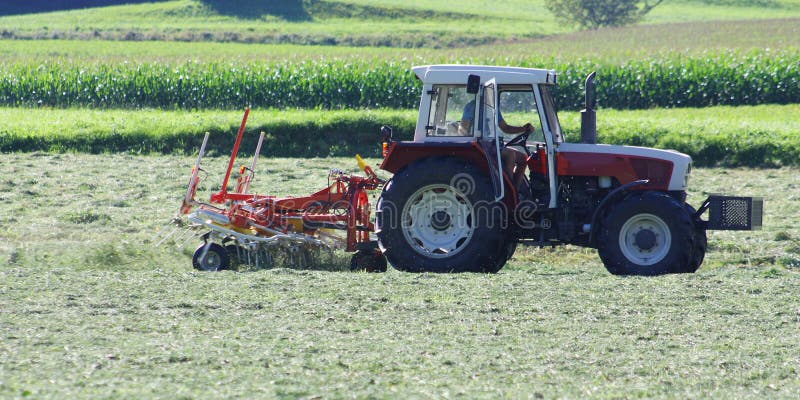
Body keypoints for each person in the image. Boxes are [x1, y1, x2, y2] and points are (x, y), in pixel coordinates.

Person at [460, 100, 533, 188]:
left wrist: (523, 129)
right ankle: (508, 191)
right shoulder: (471, 107)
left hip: (492, 144)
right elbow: (463, 130)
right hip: (481, 145)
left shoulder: (492, 108)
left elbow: (505, 128)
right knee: (510, 155)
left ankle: (516, 191)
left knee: (523, 158)